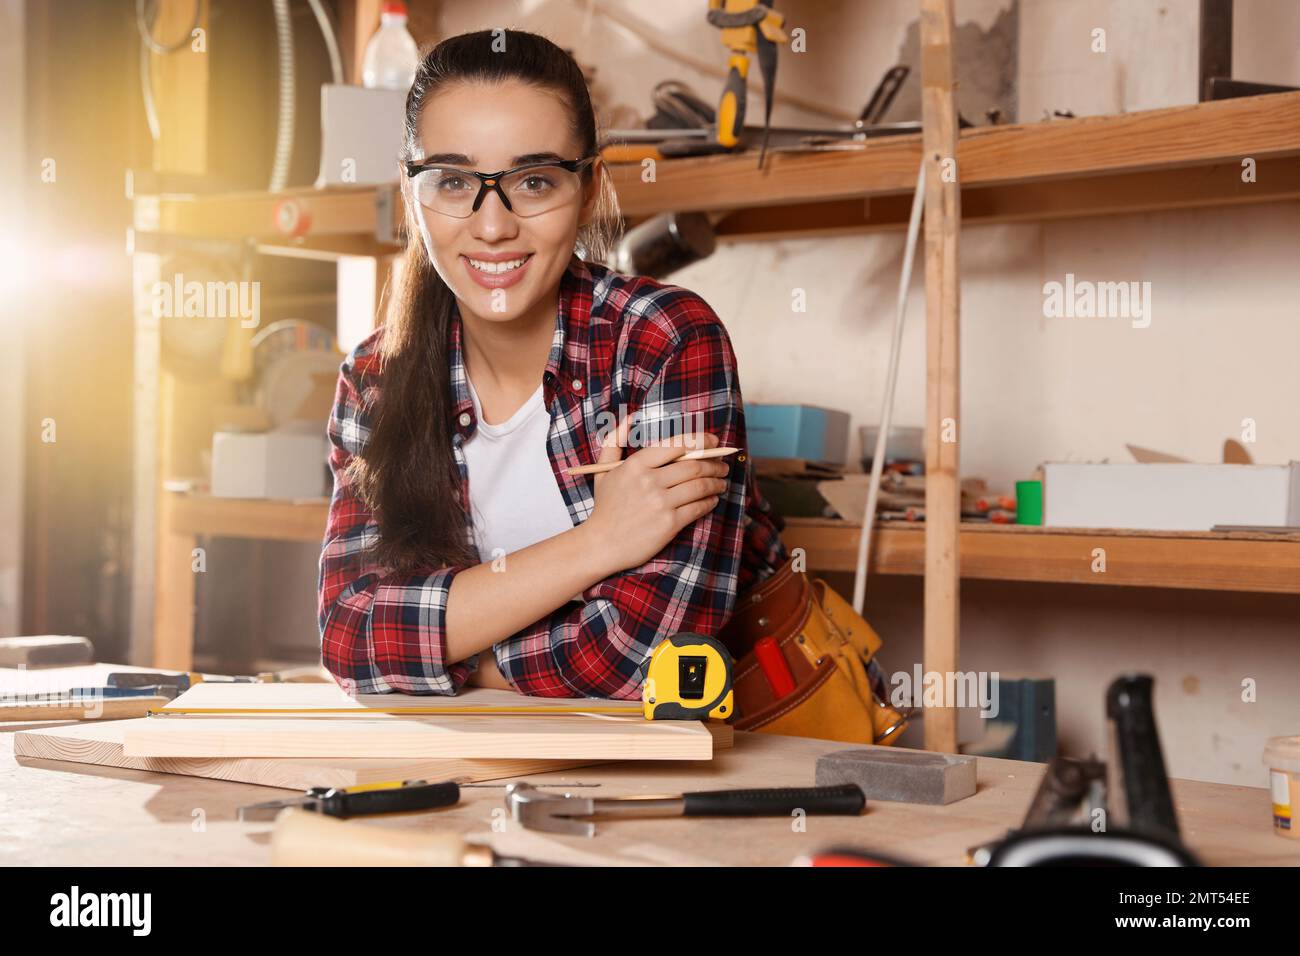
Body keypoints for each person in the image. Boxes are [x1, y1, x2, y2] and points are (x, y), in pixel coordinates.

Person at [318, 29, 784, 699]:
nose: (492, 225)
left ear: (590, 186)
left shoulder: (664, 340)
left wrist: (466, 661)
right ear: (409, 190)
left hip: (699, 769)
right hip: (485, 767)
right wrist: (599, 543)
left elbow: (649, 655)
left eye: (534, 181)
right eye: (452, 181)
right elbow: (349, 634)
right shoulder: (374, 378)